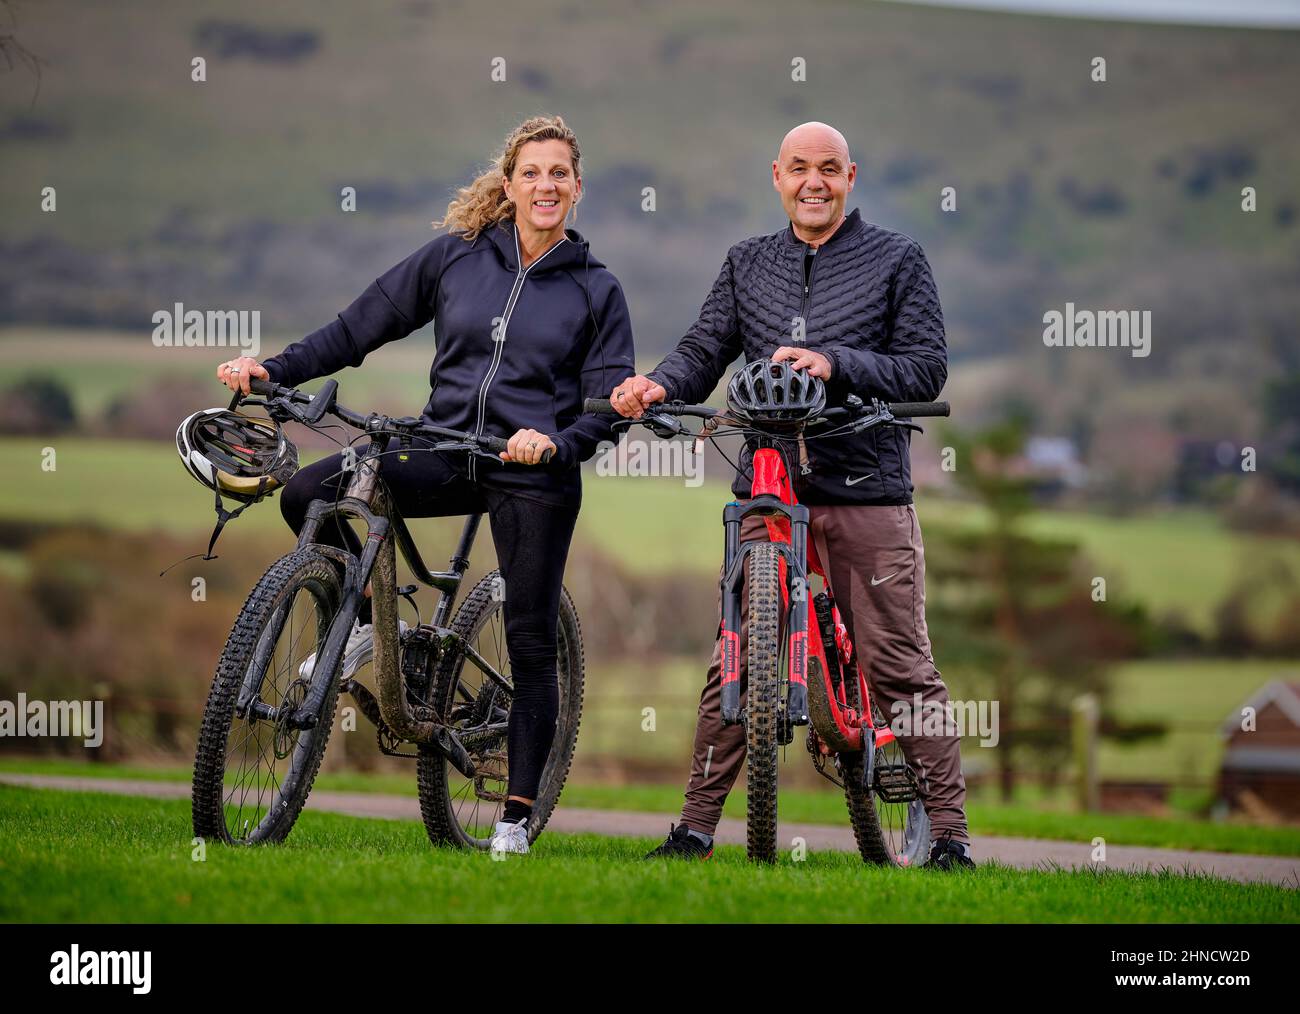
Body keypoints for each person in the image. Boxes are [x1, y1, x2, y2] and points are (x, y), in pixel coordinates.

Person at [216, 115, 634, 857]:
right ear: (509, 184)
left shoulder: (598, 291)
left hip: (531, 468)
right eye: (531, 172)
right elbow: (358, 326)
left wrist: (558, 442)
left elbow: (605, 406)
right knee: (308, 492)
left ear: (577, 188)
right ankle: (375, 626)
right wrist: (273, 369)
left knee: (532, 640)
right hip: (442, 446)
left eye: (559, 174)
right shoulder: (456, 257)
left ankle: (513, 819)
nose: (545, 185)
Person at [610, 121, 973, 870]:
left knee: (898, 661)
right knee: (735, 658)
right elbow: (703, 349)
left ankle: (950, 839)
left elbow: (926, 369)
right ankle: (695, 832)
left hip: (865, 486)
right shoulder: (747, 263)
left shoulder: (897, 259)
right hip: (768, 487)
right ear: (776, 176)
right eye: (800, 168)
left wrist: (834, 362)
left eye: (830, 169)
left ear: (851, 177)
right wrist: (659, 384)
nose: (814, 181)